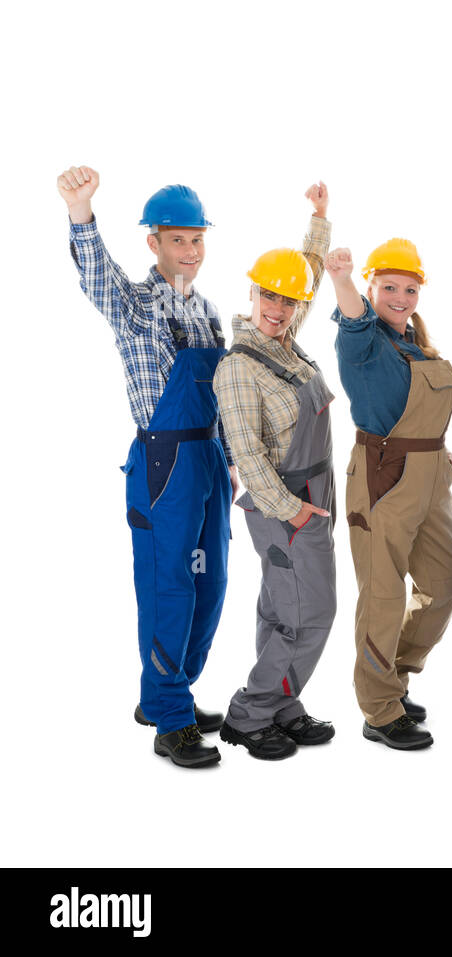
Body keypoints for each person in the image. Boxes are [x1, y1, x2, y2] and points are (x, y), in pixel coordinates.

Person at [61, 166, 238, 769]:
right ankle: (168, 718)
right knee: (169, 587)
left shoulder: (210, 311)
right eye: (177, 240)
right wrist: (82, 214)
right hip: (165, 461)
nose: (190, 251)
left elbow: (227, 395)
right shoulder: (136, 306)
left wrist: (231, 461)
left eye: (197, 239)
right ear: (154, 243)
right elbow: (97, 278)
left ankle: (171, 692)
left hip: (210, 457)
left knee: (211, 582)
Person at [327, 239, 452, 752]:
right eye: (388, 287)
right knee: (383, 594)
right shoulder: (362, 343)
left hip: (432, 478)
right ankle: (380, 709)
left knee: (446, 582)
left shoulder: (415, 346)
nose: (400, 297)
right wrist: (340, 279)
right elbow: (355, 320)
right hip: (383, 477)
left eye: (409, 289)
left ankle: (396, 675)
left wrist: (439, 452)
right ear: (371, 288)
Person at [213, 183, 334, 760]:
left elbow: (303, 276)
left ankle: (283, 702)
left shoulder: (285, 342)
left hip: (314, 488)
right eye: (270, 298)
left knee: (281, 605)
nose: (280, 309)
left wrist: (318, 220)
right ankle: (250, 712)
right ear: (252, 293)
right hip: (283, 502)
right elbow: (247, 454)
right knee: (310, 611)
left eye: (288, 303)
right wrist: (295, 511)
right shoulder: (239, 367)